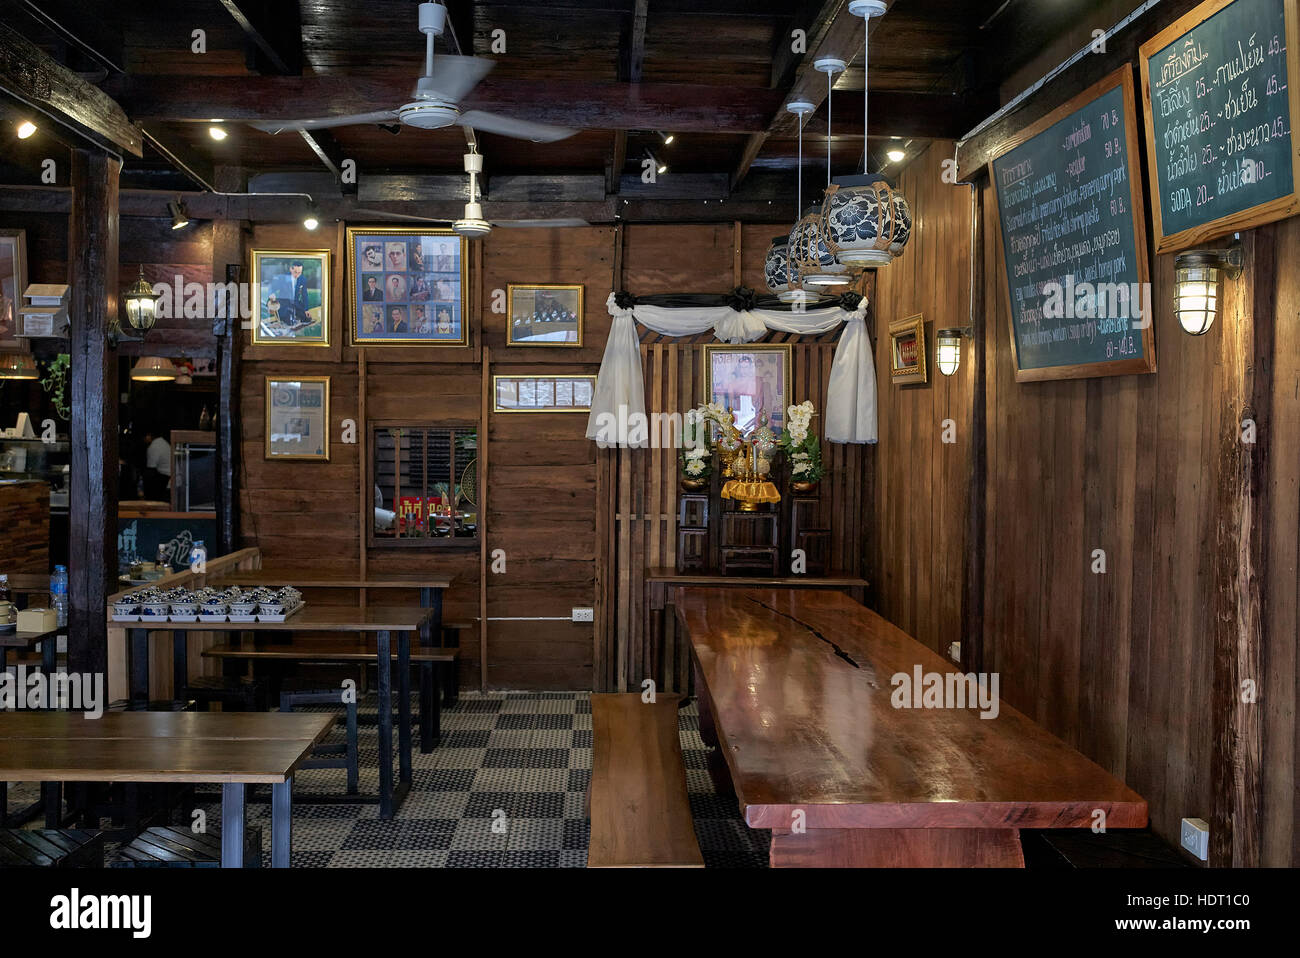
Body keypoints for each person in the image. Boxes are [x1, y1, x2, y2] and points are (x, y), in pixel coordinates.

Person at [142, 425, 172, 502]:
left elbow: (150, 470)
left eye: (144, 437)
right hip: (170, 477)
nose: (144, 440)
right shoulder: (162, 442)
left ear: (149, 436)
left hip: (166, 479)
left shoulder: (154, 446)